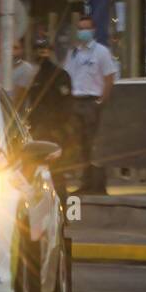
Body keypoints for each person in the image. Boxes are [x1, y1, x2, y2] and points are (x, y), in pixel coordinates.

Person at [63, 15, 119, 194]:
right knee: (81, 146)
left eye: (86, 28)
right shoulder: (74, 53)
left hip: (91, 102)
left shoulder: (101, 52)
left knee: (94, 144)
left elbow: (109, 77)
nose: (83, 32)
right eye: (81, 28)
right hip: (76, 101)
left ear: (93, 31)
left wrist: (100, 101)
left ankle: (98, 184)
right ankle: (86, 183)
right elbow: (66, 76)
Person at [22, 35, 73, 147]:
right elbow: (28, 100)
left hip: (56, 127)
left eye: (45, 50)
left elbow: (67, 102)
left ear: (50, 51)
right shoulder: (32, 75)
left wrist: (60, 124)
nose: (42, 53)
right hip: (37, 126)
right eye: (39, 50)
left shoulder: (59, 75)